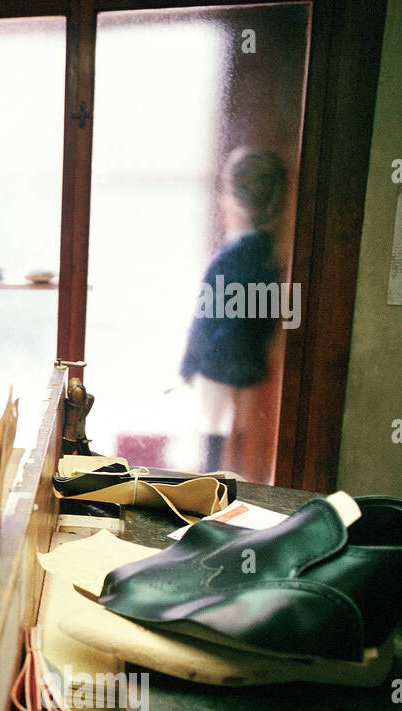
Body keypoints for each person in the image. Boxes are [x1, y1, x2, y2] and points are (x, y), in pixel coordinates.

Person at [178, 148, 287, 474]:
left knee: (215, 446)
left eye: (226, 193)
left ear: (239, 199)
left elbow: (208, 319)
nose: (222, 202)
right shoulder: (263, 254)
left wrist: (193, 362)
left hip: (220, 368)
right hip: (240, 366)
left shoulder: (234, 257)